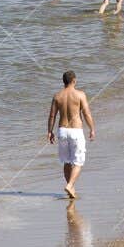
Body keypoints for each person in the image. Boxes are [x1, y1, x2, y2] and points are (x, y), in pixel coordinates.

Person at [47, 70, 96, 199]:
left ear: (63, 81)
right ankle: (70, 185)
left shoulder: (57, 96)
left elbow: (52, 116)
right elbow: (86, 113)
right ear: (74, 80)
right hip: (76, 130)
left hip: (62, 131)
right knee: (78, 162)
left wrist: (50, 131)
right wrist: (92, 129)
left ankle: (71, 188)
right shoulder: (80, 95)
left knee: (67, 161)